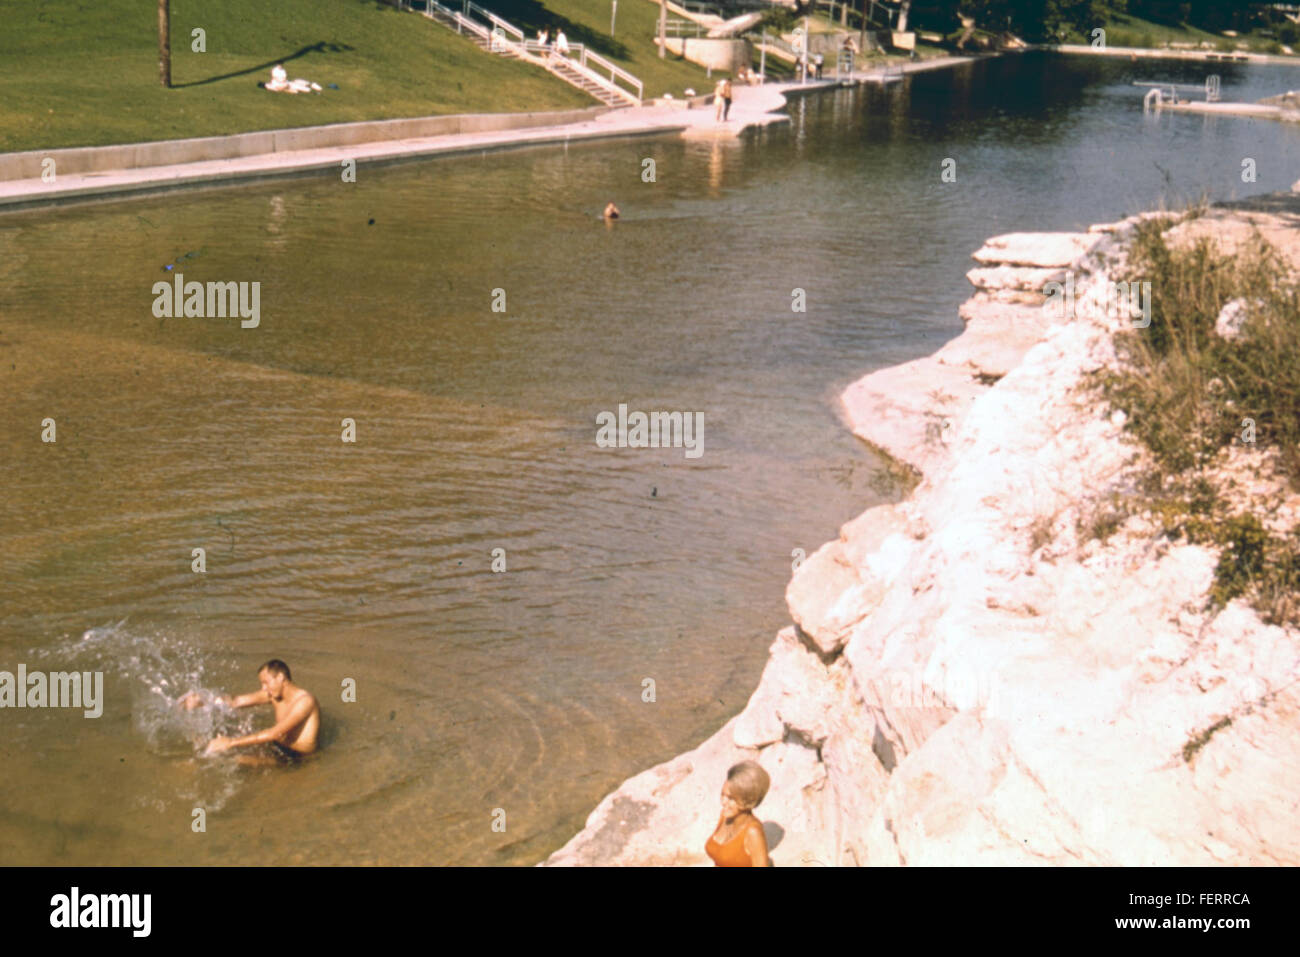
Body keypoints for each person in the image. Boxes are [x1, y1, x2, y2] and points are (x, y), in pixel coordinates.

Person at [181, 659, 320, 762]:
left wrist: (230, 742)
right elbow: (236, 701)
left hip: (297, 756)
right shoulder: (273, 694)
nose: (263, 688)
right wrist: (204, 700)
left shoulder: (305, 701)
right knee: (218, 746)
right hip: (276, 745)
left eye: (266, 682)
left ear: (280, 678)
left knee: (234, 759)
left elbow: (274, 734)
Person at [705, 760, 771, 866]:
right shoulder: (725, 816)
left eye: (731, 798)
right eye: (722, 795)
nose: (723, 802)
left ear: (747, 800)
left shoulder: (752, 832)